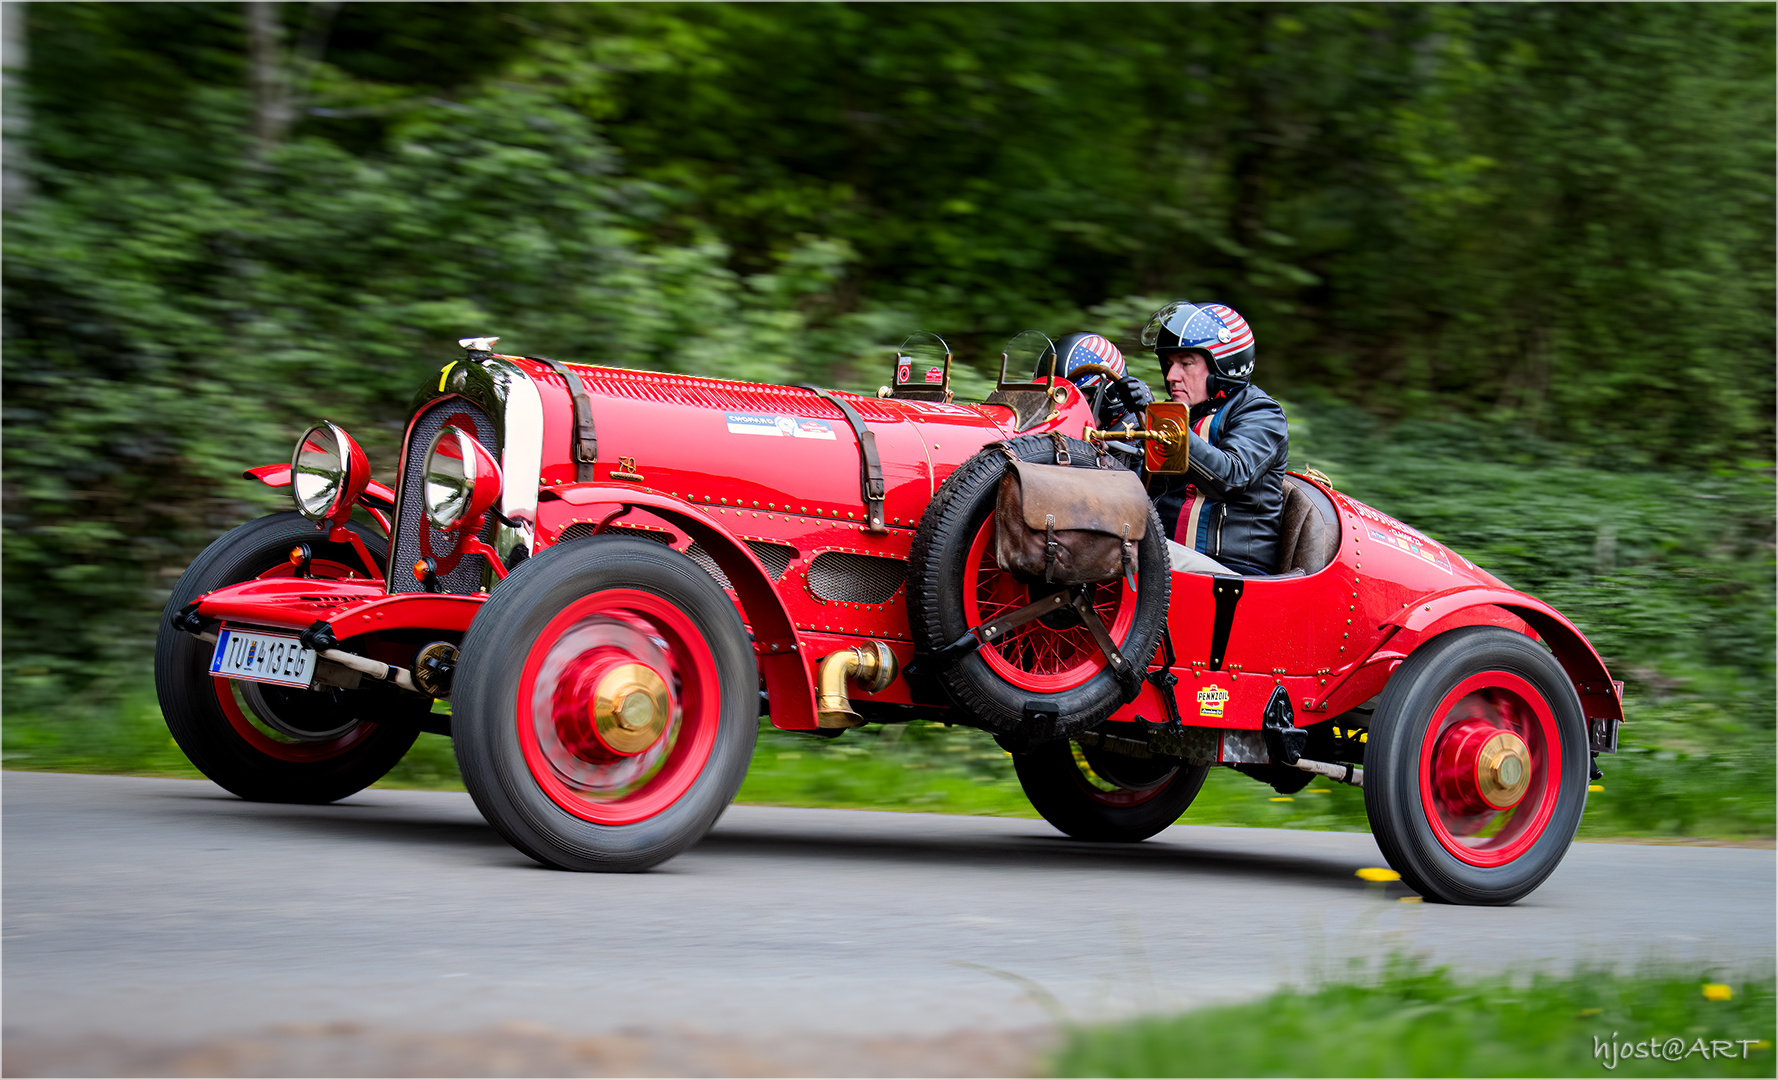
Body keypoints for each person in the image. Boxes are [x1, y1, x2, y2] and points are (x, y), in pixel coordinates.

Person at [1139, 301, 1289, 577]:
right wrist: (1131, 416)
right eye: (1169, 364)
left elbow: (1229, 477)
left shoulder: (1260, 412)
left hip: (1227, 573)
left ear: (1225, 365)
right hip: (1174, 559)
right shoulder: (1185, 414)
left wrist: (1166, 423)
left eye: (1186, 363)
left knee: (1125, 550)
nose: (1172, 376)